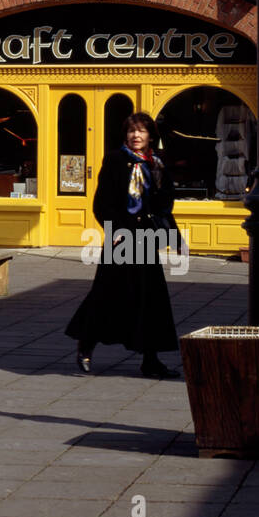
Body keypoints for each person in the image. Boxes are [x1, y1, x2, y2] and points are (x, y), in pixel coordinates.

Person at [66, 111, 181, 380]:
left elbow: (165, 201)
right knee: (106, 295)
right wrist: (115, 228)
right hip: (121, 238)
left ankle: (150, 361)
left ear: (151, 135)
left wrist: (171, 236)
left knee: (150, 300)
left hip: (146, 238)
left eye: (141, 131)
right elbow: (102, 202)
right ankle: (85, 344)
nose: (136, 135)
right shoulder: (115, 160)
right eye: (132, 131)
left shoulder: (158, 162)